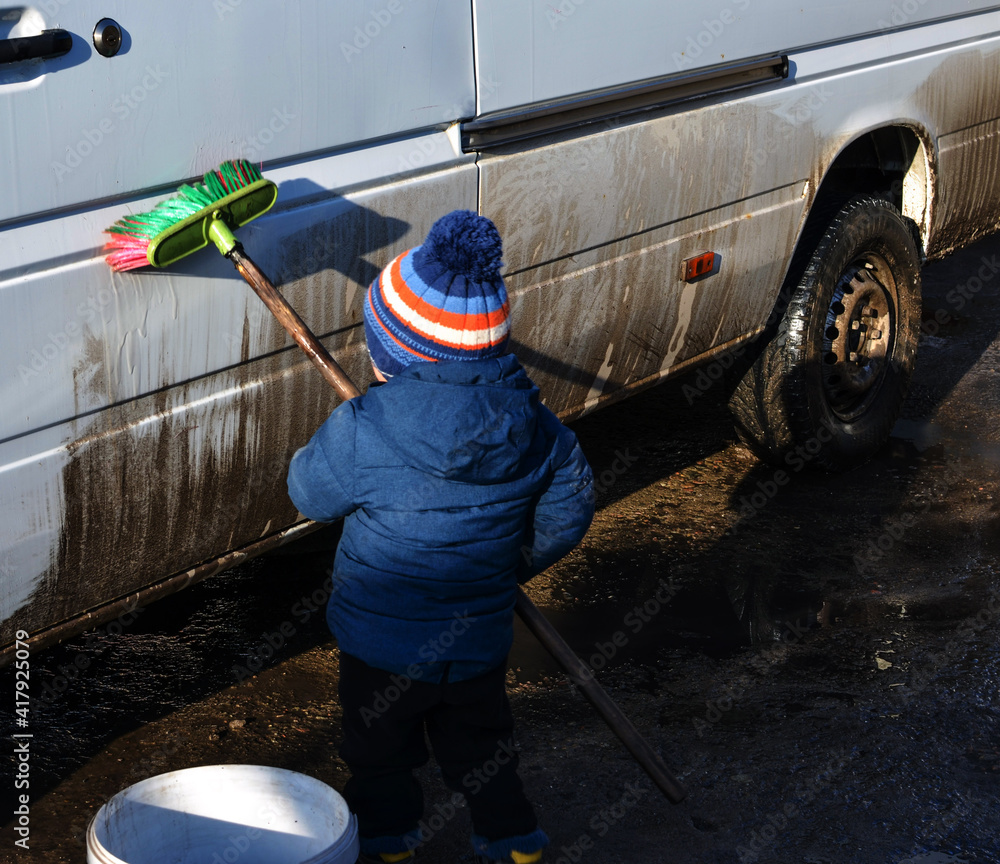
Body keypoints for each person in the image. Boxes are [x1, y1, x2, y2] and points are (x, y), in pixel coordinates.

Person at [286, 210, 595, 864]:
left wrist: (331, 440)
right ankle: (515, 841)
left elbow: (309, 494)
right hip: (476, 643)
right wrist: (510, 563)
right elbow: (571, 504)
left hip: (380, 647)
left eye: (376, 344)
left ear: (394, 355)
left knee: (378, 754)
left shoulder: (364, 428)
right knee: (483, 748)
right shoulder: (534, 422)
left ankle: (389, 841)